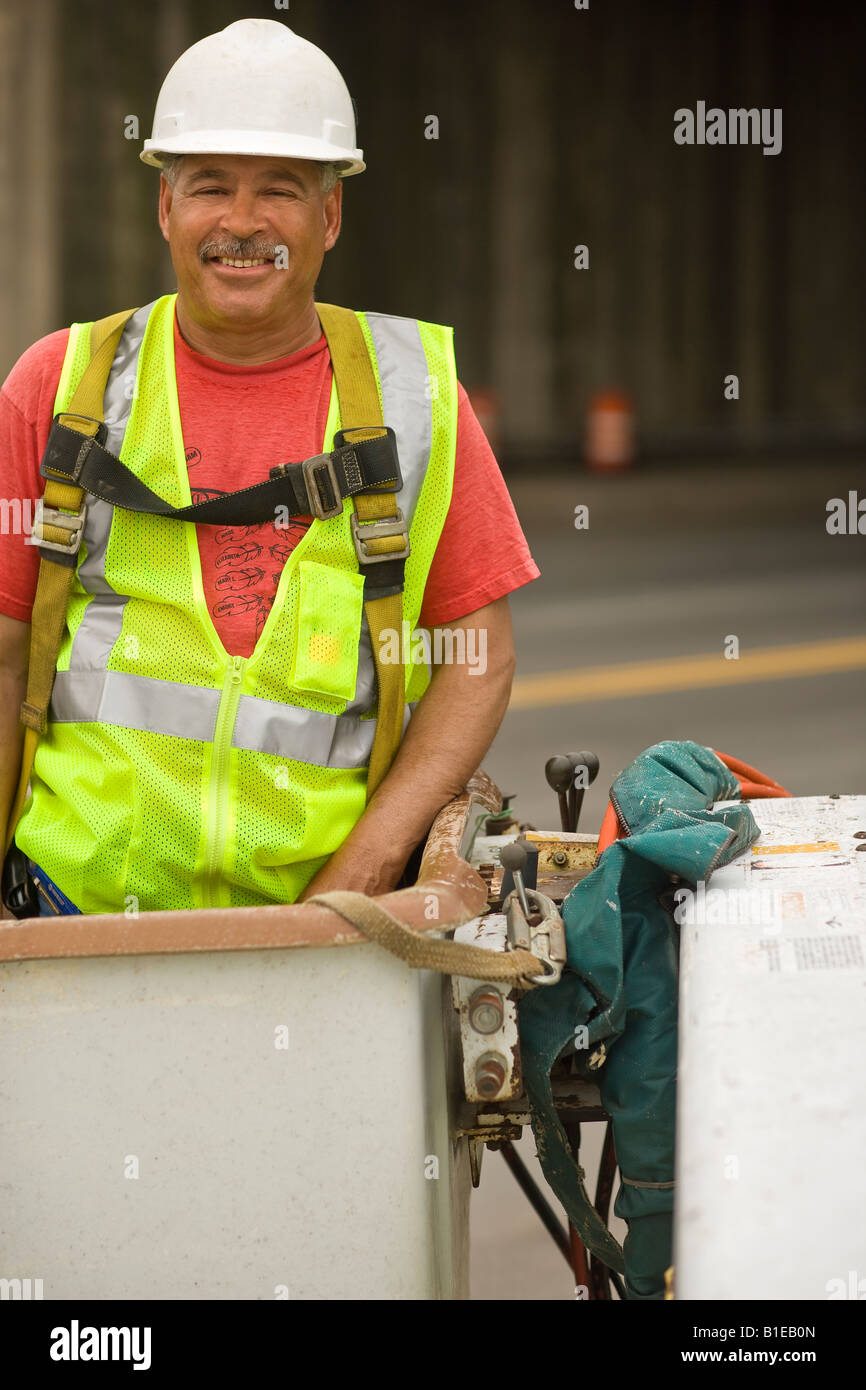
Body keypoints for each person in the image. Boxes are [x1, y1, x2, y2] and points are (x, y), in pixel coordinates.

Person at [0, 19, 538, 918]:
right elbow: (7, 653)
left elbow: (477, 658)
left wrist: (361, 877)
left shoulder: (416, 399)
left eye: (280, 191)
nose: (242, 224)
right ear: (165, 208)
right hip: (75, 917)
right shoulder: (61, 384)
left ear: (329, 216)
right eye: (210, 187)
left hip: (324, 928)